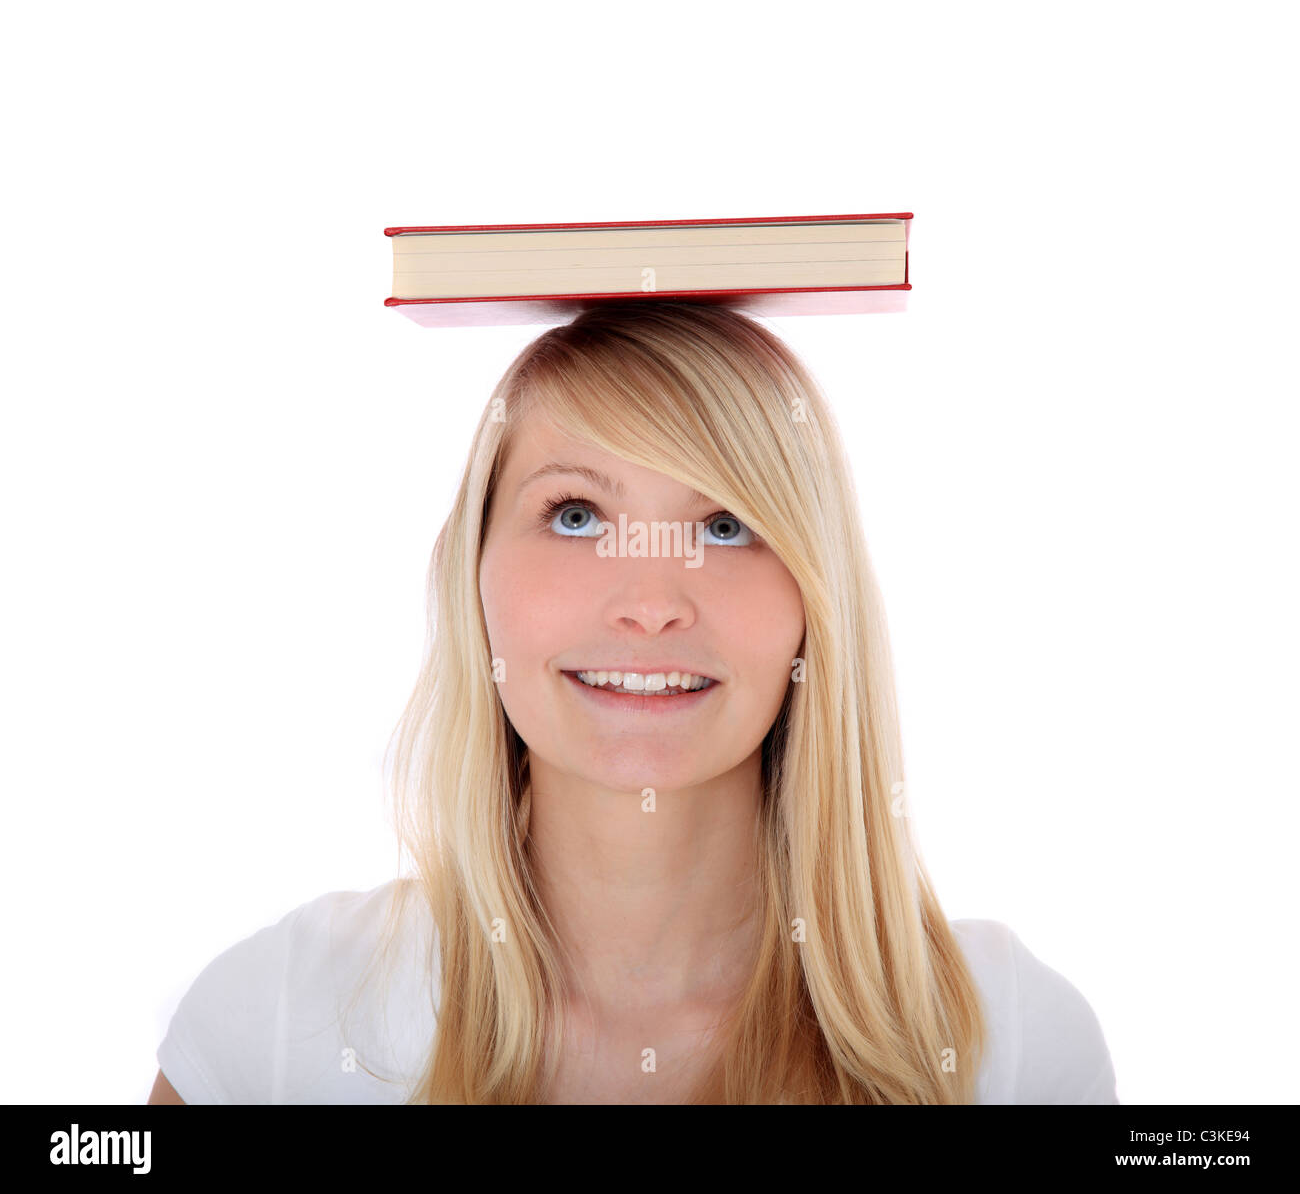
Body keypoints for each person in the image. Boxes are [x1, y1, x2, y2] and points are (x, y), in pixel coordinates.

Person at [149, 300, 1118, 1105]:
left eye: (726, 523)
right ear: (470, 575)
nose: (651, 601)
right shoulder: (273, 1029)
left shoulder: (1010, 1045)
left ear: (815, 601)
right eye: (576, 515)